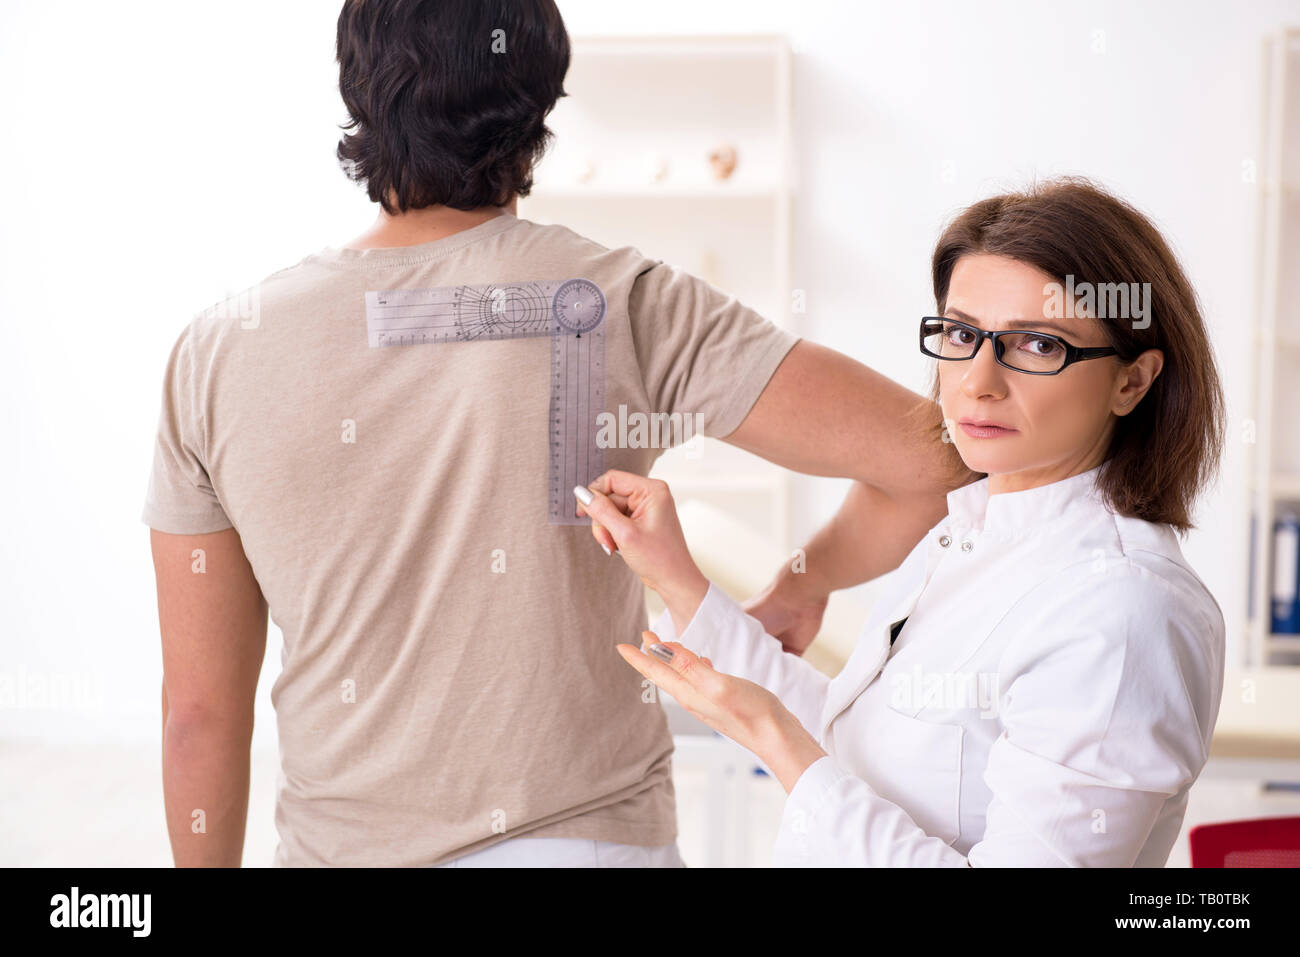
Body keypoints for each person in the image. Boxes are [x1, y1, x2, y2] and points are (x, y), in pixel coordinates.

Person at [141, 0, 975, 867]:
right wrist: (807, 580)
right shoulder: (629, 300)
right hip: (591, 844)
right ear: (538, 103)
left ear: (356, 85)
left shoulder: (219, 351)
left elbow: (199, 714)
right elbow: (943, 458)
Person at [582, 176, 1228, 866]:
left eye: (1039, 344)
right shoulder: (971, 531)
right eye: (960, 333)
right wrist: (680, 581)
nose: (978, 380)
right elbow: (856, 751)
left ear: (1132, 380)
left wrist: (773, 735)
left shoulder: (1121, 612)